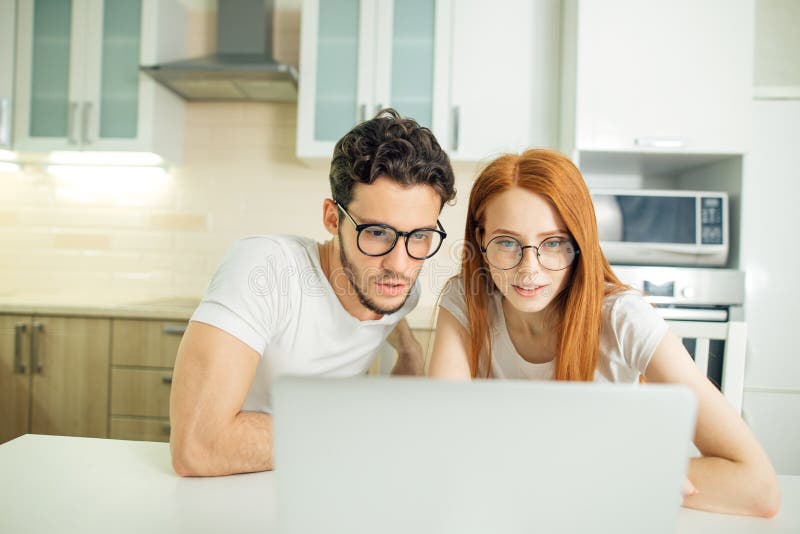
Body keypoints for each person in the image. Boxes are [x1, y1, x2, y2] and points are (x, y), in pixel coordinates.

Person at [428, 149, 781, 517]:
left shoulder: (624, 318)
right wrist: (597, 468)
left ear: (579, 244)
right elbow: (444, 448)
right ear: (479, 239)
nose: (529, 269)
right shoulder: (467, 299)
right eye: (506, 242)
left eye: (553, 243)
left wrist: (629, 471)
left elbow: (758, 488)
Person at [170, 109, 456, 476]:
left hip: (322, 479)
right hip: (236, 485)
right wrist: (355, 428)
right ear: (332, 218)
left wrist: (410, 351)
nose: (400, 265)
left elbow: (391, 313)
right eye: (377, 233)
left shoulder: (399, 290)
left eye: (419, 236)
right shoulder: (266, 269)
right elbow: (197, 447)